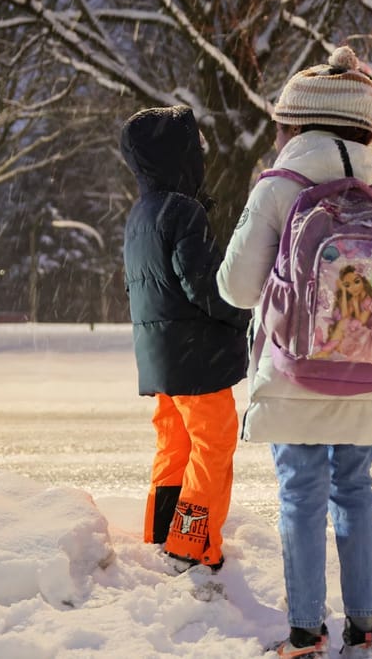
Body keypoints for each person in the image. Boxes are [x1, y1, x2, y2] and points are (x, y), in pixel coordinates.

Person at [216, 47, 372, 658]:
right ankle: (367, 626)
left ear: (294, 126)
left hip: (297, 372)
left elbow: (236, 287)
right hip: (370, 372)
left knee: (300, 493)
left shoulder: (278, 188)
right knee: (356, 489)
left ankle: (304, 630)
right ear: (365, 129)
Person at [120, 105, 249, 574]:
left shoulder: (141, 213)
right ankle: (191, 543)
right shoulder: (183, 210)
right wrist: (244, 316)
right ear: (179, 157)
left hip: (160, 358)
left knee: (175, 445)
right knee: (213, 445)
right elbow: (205, 286)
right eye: (195, 149)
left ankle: (162, 529)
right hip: (197, 358)